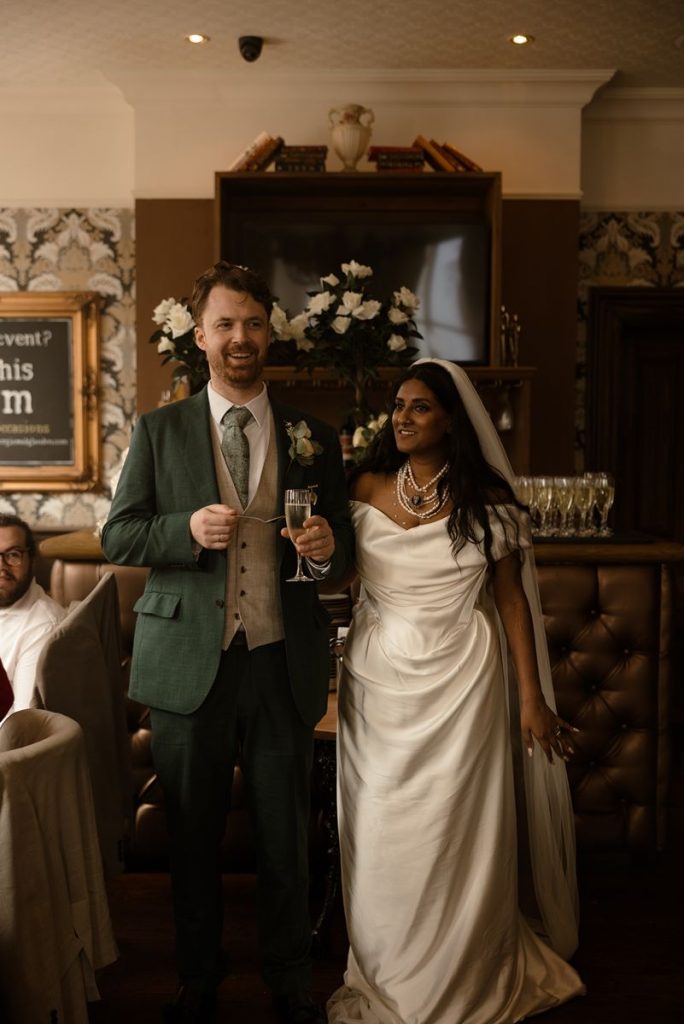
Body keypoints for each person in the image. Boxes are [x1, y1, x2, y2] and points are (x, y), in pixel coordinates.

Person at [102, 261, 354, 1024]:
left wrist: (318, 546)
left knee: (287, 838)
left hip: (281, 659)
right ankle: (200, 975)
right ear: (200, 334)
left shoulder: (313, 433)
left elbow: (342, 551)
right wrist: (183, 530)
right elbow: (118, 535)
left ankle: (288, 981)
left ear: (267, 332)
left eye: (251, 323)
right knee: (191, 837)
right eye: (224, 324)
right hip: (186, 665)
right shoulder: (159, 429)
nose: (239, 338)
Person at [327, 359, 585, 1024]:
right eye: (398, 405)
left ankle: (464, 968)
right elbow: (338, 571)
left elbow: (511, 603)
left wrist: (531, 698)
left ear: (450, 420)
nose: (402, 418)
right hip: (377, 679)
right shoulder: (363, 483)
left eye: (419, 408)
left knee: (456, 827)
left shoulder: (489, 498)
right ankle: (386, 964)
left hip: (462, 679)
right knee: (379, 824)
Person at [0, 513, 66, 724]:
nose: (2, 567)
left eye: (13, 555)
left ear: (32, 559)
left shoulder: (44, 625)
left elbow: (21, 725)